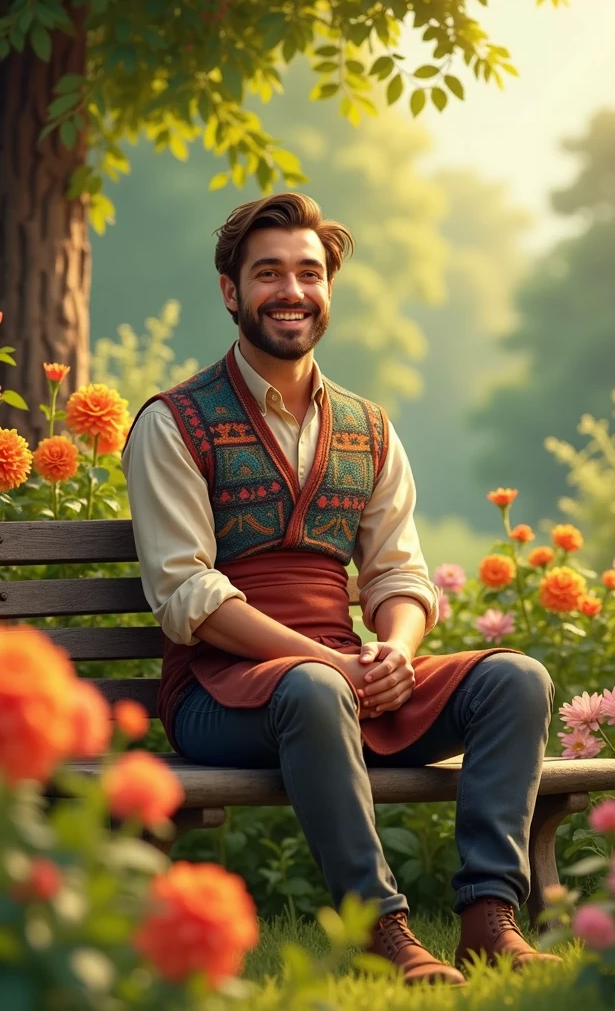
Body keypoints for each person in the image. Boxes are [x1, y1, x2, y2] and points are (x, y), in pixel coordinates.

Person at [122, 193, 558, 985]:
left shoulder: (369, 427)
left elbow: (398, 572)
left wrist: (391, 651)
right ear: (231, 291)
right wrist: (335, 668)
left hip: (341, 680)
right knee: (319, 686)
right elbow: (187, 596)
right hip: (221, 691)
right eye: (269, 273)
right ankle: (379, 929)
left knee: (514, 680)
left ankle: (488, 918)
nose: (292, 290)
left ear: (328, 290)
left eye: (309, 273)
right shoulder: (173, 423)